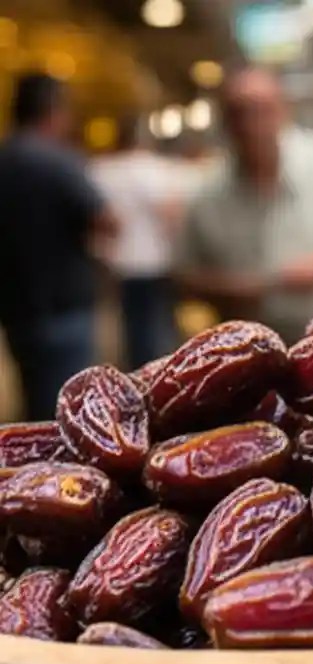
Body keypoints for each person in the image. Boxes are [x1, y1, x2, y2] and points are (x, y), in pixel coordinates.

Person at [177, 67, 313, 342]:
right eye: (240, 112)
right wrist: (237, 289)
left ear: (283, 111)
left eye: (262, 110)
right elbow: (185, 277)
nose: (253, 124)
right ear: (225, 122)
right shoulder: (207, 192)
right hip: (245, 346)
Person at [0, 73, 118, 420]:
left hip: (15, 307)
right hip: (64, 307)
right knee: (68, 416)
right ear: (55, 111)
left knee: (34, 399)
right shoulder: (58, 161)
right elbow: (107, 221)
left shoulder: (4, 159)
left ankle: (29, 473)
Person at [90, 117, 183, 370]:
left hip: (119, 262)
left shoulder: (102, 169)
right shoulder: (154, 169)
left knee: (130, 325)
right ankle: (155, 380)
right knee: (156, 327)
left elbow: (96, 220)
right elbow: (172, 215)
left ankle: (134, 376)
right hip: (154, 261)